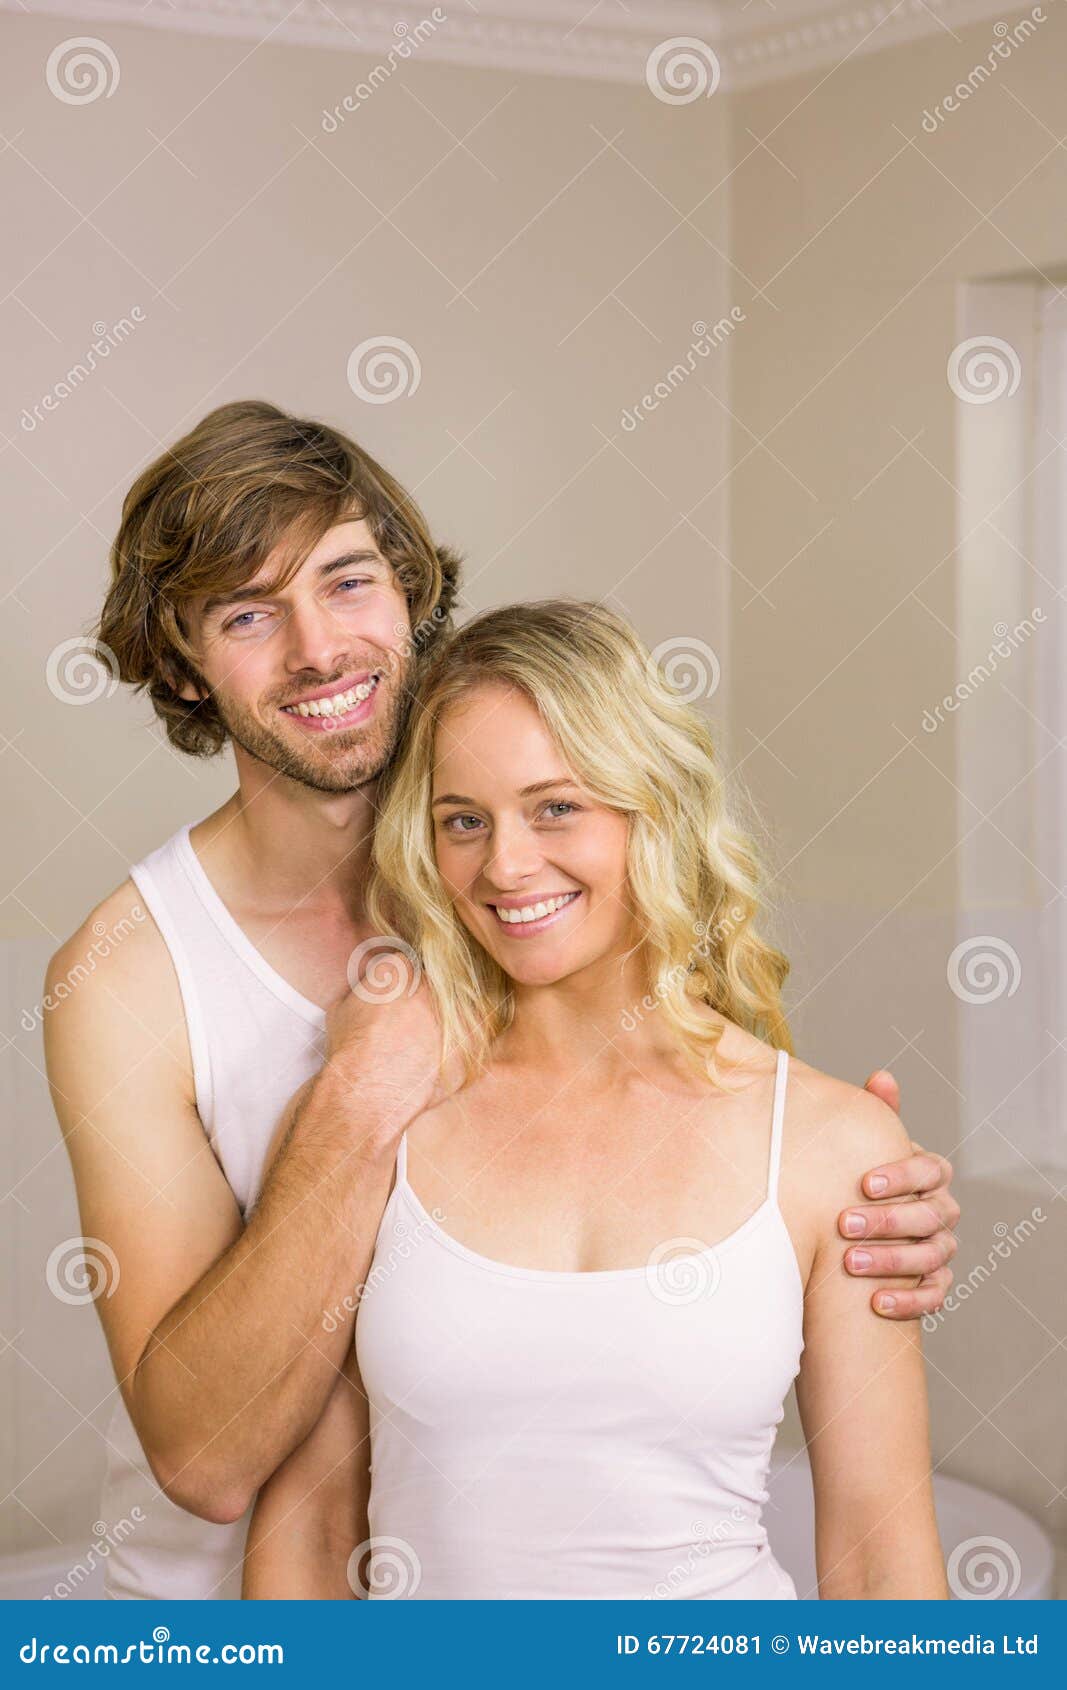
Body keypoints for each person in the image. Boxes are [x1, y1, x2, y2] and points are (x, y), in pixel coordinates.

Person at [45, 403, 957, 1602]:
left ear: (410, 594)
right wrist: (364, 1091)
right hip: (219, 1612)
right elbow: (209, 1461)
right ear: (181, 660)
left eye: (349, 581)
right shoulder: (125, 977)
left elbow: (688, 1106)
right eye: (247, 615)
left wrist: (858, 1189)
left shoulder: (518, 862)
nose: (319, 650)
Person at [244, 600, 949, 1600]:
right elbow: (308, 1535)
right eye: (463, 821)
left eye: (555, 806)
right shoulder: (373, 1117)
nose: (504, 865)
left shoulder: (831, 1145)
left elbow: (884, 1574)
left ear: (648, 808)